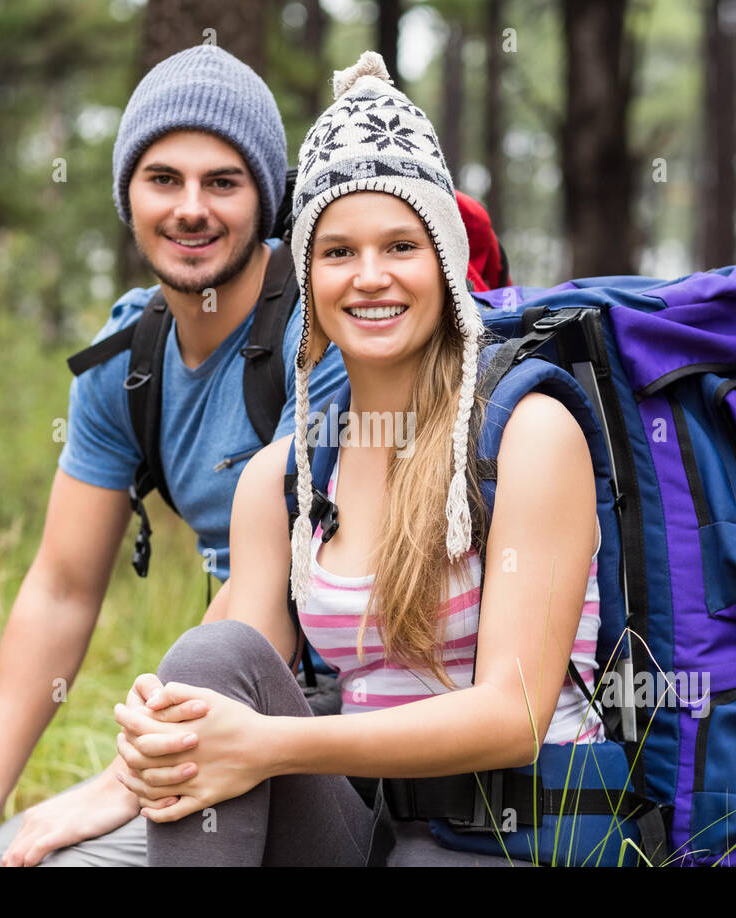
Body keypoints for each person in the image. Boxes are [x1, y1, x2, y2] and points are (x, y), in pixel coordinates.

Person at [110, 52, 605, 866]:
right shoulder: (289, 477)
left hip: (513, 835)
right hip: (369, 832)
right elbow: (223, 689)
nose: (370, 277)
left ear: (444, 261)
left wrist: (269, 745)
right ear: (307, 276)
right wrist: (155, 730)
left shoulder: (529, 432)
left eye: (400, 245)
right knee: (203, 661)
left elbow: (514, 716)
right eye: (337, 252)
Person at [0, 44, 349, 867]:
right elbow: (62, 588)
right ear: (127, 195)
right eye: (162, 179)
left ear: (266, 198)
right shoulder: (125, 360)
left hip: (344, 728)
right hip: (216, 709)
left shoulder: (322, 330)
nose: (191, 208)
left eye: (223, 181)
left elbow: (278, 579)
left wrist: (122, 779)